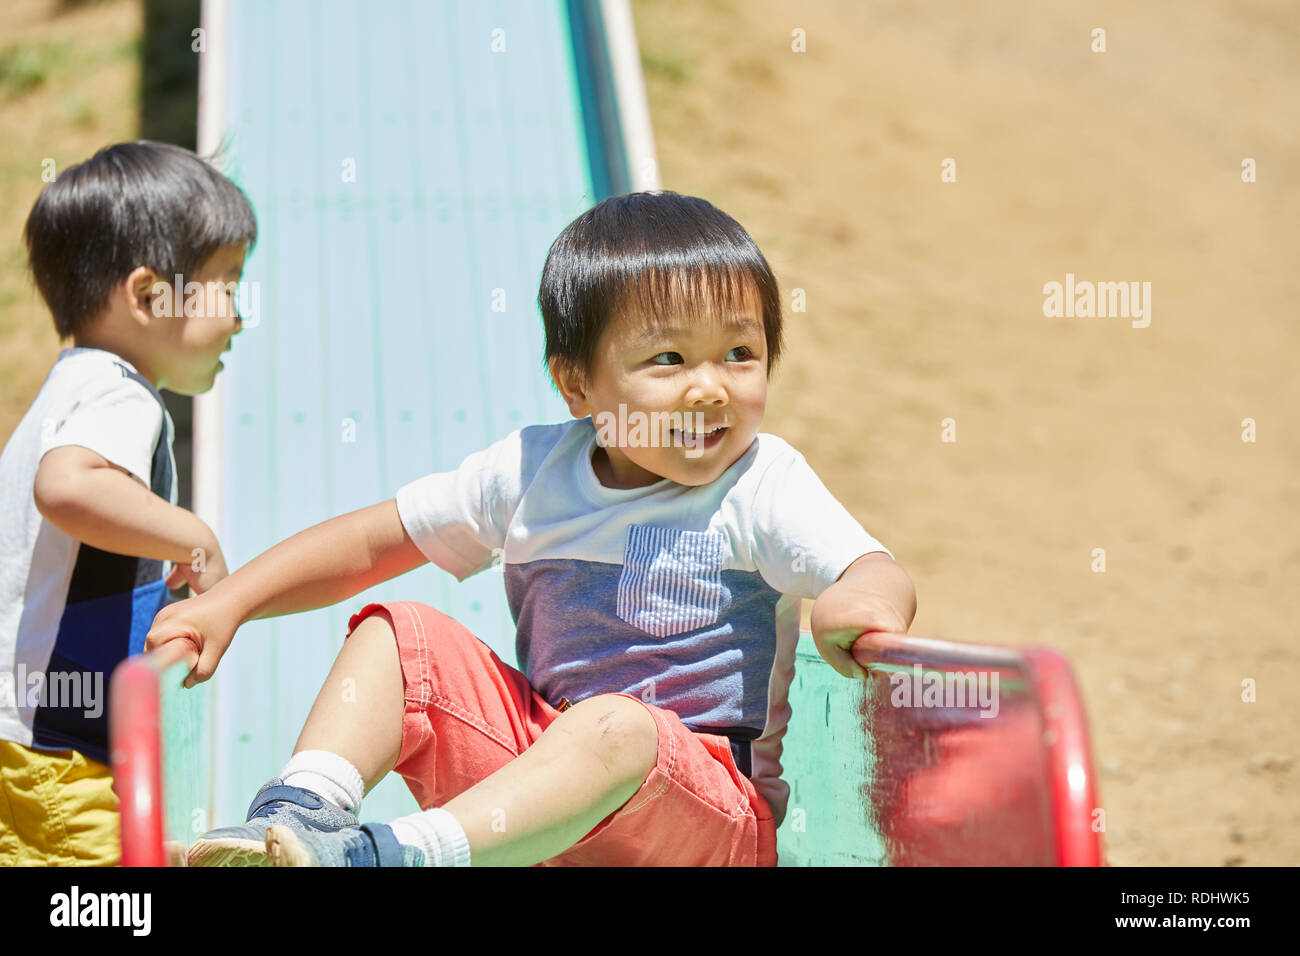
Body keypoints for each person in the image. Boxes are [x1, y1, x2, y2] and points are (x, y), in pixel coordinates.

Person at [149, 191, 916, 867]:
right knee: (401, 632)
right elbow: (371, 543)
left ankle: (402, 854)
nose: (710, 385)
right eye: (670, 357)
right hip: (547, 806)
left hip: (708, 821)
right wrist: (232, 603)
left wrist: (863, 599)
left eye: (740, 353)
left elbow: (872, 568)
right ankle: (301, 816)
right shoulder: (529, 473)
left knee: (616, 723)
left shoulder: (762, 482)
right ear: (577, 385)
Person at [0, 140, 254, 865]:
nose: (239, 316)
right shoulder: (118, 395)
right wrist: (191, 537)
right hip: (60, 754)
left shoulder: (69, 389)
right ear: (148, 296)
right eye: (227, 284)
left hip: (36, 746)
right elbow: (68, 487)